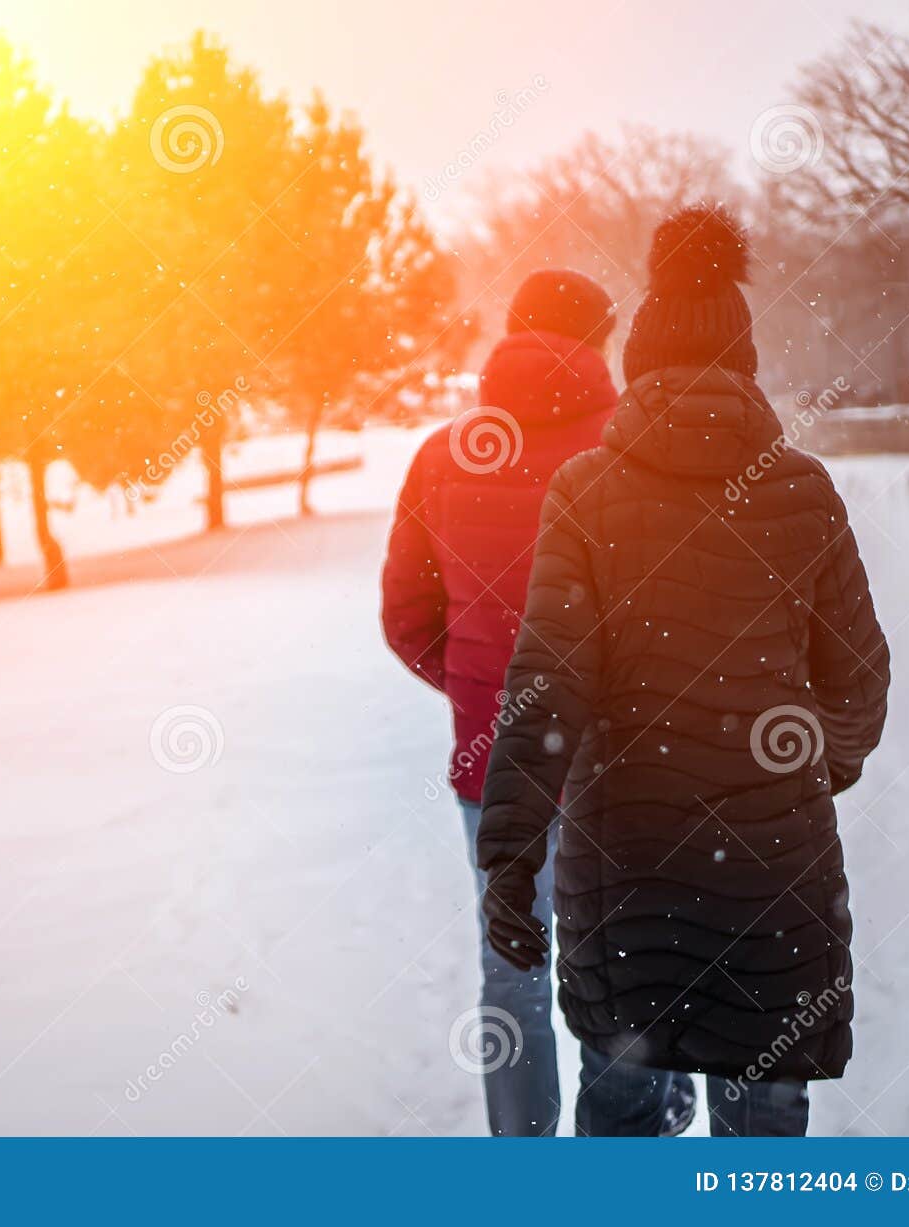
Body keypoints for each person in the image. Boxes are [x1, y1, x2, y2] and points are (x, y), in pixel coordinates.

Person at [476, 205, 890, 1138]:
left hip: (625, 884)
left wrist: (511, 855)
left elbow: (547, 686)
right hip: (773, 886)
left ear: (637, 365)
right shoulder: (802, 490)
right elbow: (859, 683)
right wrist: (812, 771)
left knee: (626, 1130)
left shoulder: (585, 494)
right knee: (761, 1144)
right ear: (745, 364)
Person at [381, 269, 694, 1137]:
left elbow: (408, 615)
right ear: (599, 341)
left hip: (497, 766)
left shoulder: (446, 454)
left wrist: (491, 691)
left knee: (510, 966)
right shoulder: (647, 447)